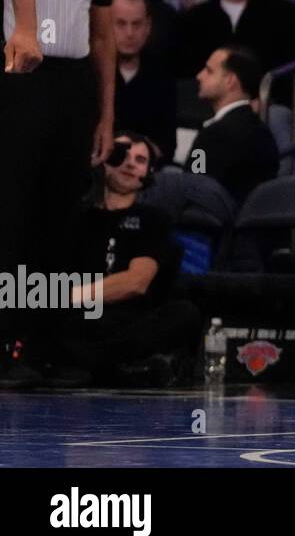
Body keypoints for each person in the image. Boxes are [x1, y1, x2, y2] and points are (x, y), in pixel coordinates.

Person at [0, 0, 114, 387]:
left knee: (65, 220)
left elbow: (104, 36)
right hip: (21, 83)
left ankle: (54, 346)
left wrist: (106, 116)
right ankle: (12, 346)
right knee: (15, 217)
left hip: (75, 88)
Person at [59, 133, 201, 385]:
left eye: (140, 159)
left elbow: (136, 282)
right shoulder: (77, 217)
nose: (129, 163)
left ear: (148, 173)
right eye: (121, 154)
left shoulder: (154, 219)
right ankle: (119, 368)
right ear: (103, 158)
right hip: (82, 317)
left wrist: (66, 296)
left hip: (131, 319)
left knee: (184, 314)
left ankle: (92, 364)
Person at [191, 45, 280, 203]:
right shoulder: (263, 132)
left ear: (230, 81)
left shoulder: (213, 135)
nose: (199, 76)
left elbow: (193, 187)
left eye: (209, 71)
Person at [112, 0, 177, 162]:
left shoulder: (162, 77)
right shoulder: (91, 73)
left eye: (136, 24)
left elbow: (167, 145)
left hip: (147, 172)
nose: (129, 33)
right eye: (120, 23)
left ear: (148, 26)